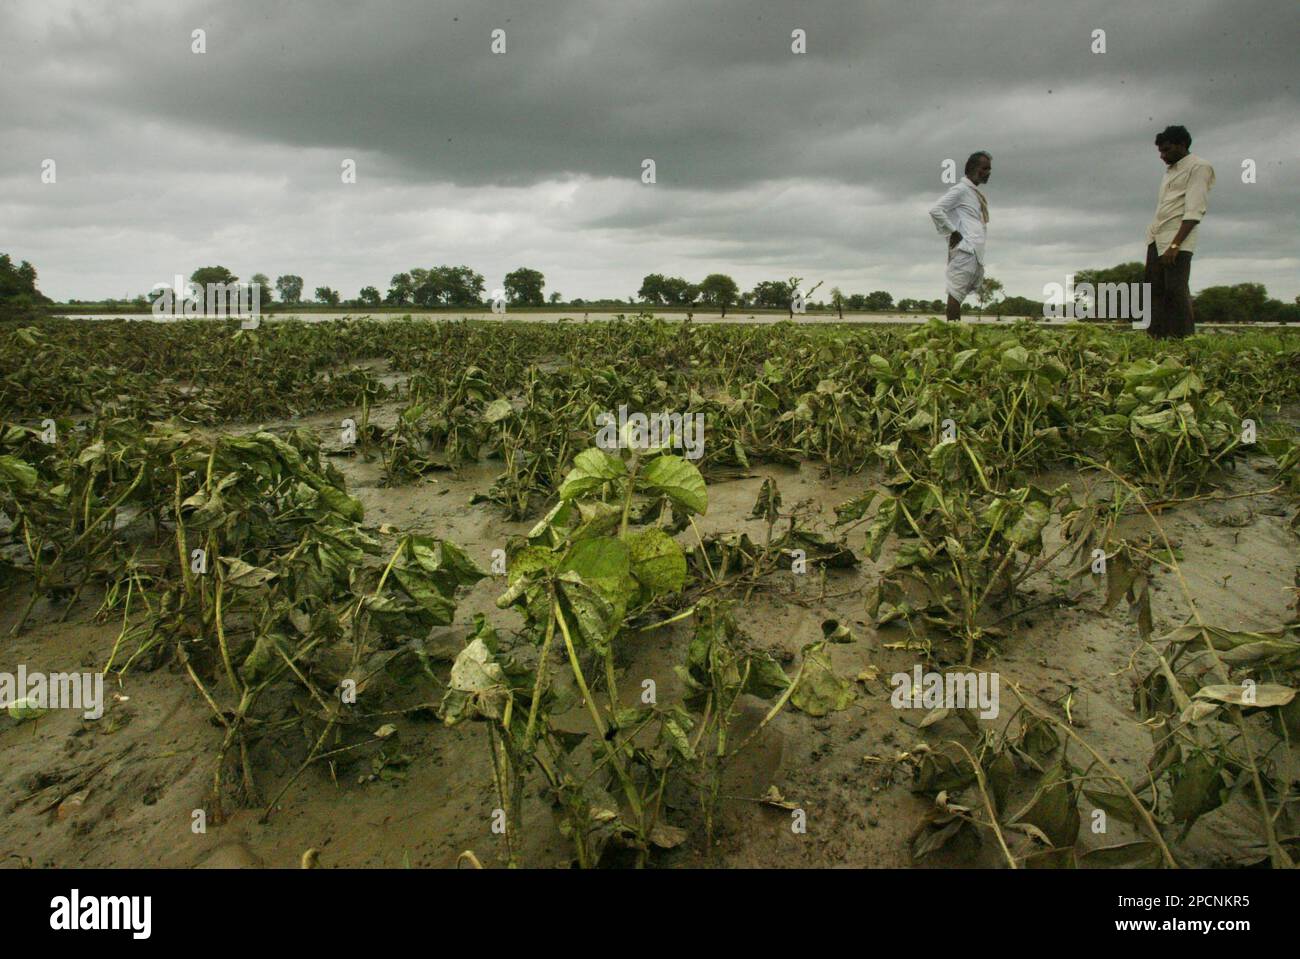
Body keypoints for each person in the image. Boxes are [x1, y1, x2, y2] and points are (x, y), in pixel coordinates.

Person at [1144, 125, 1214, 338]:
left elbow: (1194, 210)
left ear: (1182, 145)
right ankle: (1156, 338)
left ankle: (1184, 339)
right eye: (1160, 152)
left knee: (1175, 290)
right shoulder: (1170, 172)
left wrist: (1175, 245)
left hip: (1177, 240)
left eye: (1166, 150)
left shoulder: (1199, 167)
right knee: (1154, 291)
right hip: (1157, 237)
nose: (1162, 156)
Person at [929, 152, 991, 322]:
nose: (988, 172)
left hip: (973, 252)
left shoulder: (973, 192)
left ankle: (954, 331)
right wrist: (953, 231)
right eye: (984, 168)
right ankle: (953, 334)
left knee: (959, 294)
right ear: (972, 169)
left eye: (989, 169)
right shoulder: (961, 190)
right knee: (955, 294)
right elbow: (936, 210)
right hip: (965, 250)